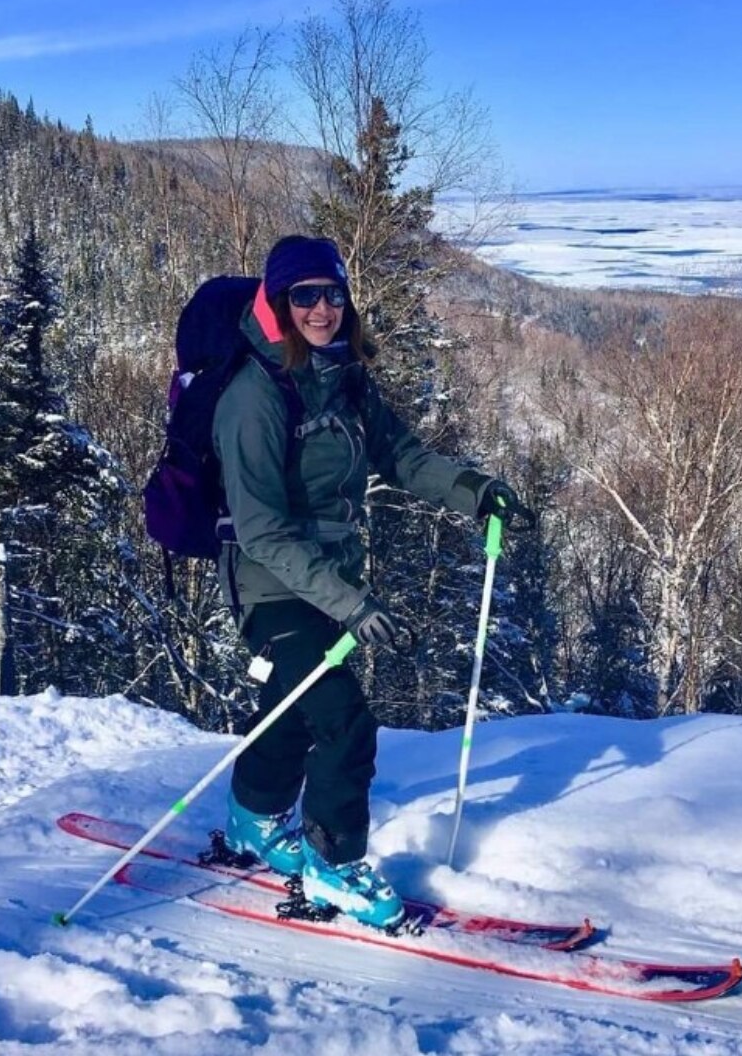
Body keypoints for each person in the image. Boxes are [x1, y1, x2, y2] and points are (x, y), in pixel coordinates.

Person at [212, 235, 538, 930]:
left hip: (332, 579)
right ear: (280, 303)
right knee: (343, 719)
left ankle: (252, 817)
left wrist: (474, 490)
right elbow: (262, 529)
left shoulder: (343, 379)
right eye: (305, 296)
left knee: (291, 704)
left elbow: (401, 455)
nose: (322, 308)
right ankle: (333, 868)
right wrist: (352, 603)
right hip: (271, 584)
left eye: (332, 294)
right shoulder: (253, 398)